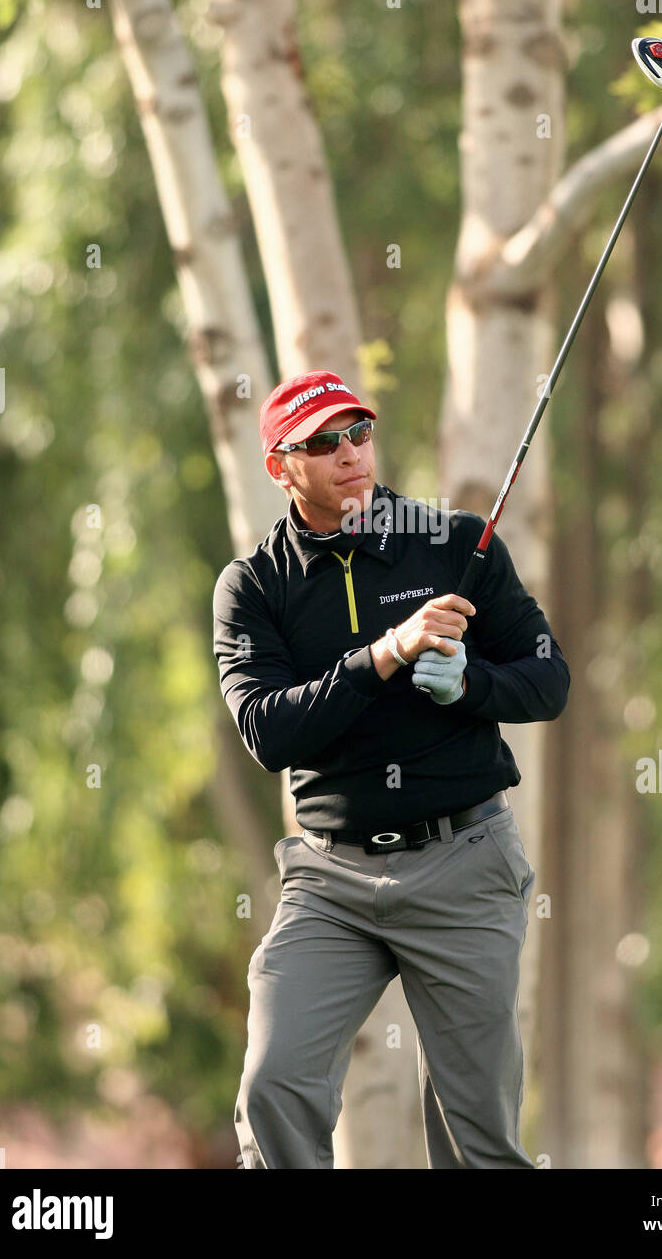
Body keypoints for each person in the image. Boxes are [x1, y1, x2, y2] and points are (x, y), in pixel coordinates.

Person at [212, 368, 570, 1169]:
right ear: (281, 467)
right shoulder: (252, 588)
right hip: (330, 880)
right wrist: (383, 655)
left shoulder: (456, 543)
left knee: (476, 1136)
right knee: (273, 1082)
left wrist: (473, 683)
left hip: (463, 864)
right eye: (322, 443)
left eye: (359, 433)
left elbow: (549, 681)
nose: (350, 454)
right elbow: (269, 732)